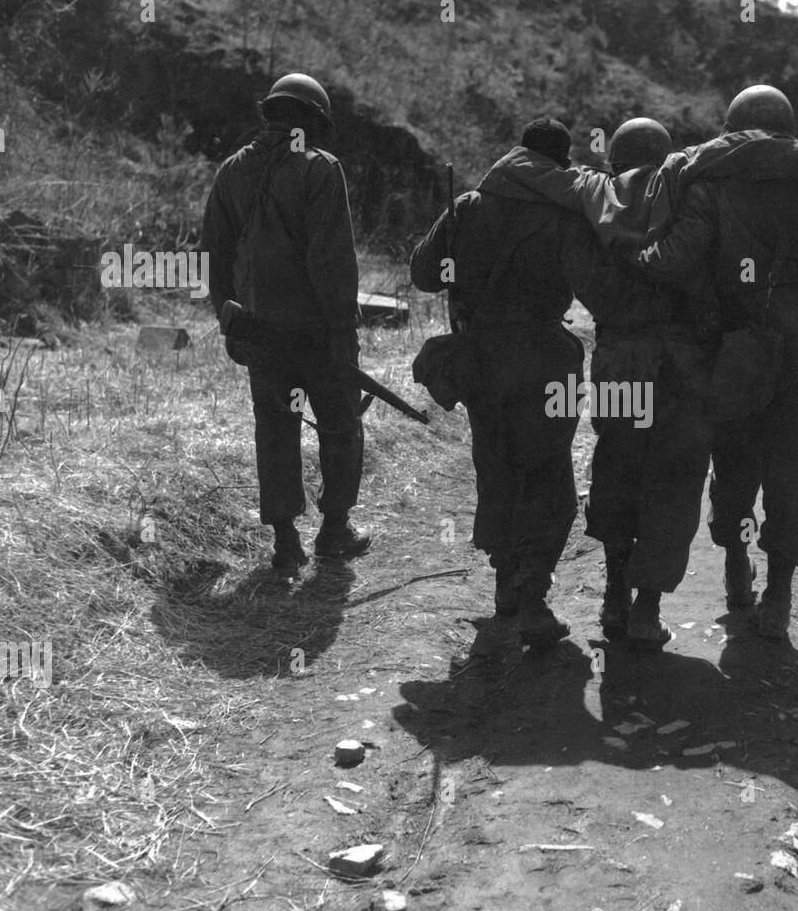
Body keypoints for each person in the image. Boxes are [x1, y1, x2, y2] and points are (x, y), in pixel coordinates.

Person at [629, 85, 798, 642]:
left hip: (730, 343)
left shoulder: (707, 173)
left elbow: (675, 260)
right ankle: (779, 594)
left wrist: (642, 262)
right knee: (790, 471)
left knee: (733, 462)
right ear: (786, 122)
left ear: (734, 123)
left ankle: (737, 563)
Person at [491, 118, 713, 652]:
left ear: (613, 158)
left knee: (619, 466)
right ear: (665, 156)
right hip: (682, 367)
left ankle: (614, 593)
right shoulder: (695, 198)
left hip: (620, 363)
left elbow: (591, 288)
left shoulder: (591, 205)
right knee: (674, 479)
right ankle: (646, 610)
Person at [410, 119, 593, 649]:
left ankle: (504, 589)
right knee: (549, 477)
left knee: (496, 467)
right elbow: (594, 286)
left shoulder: (469, 204)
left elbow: (425, 274)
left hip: (482, 360)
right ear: (560, 162)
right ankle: (533, 598)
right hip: (544, 360)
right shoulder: (566, 209)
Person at [203, 72, 370, 575]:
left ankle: (285, 541)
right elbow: (332, 261)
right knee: (341, 425)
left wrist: (230, 320)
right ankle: (335, 528)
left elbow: (213, 255)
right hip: (316, 335)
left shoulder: (231, 171)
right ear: (314, 121)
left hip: (259, 333)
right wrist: (343, 332)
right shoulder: (321, 169)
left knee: (275, 429)